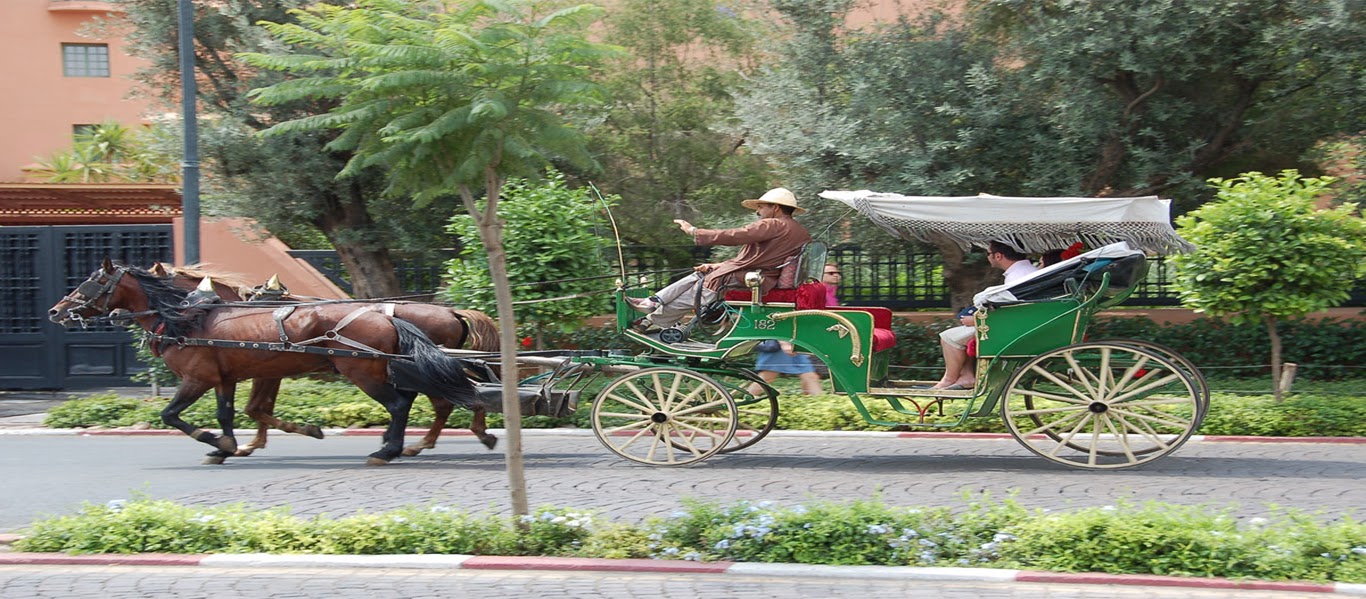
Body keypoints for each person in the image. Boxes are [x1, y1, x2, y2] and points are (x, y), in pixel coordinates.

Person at [628, 187, 812, 331]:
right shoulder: (801, 232)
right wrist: (716, 265)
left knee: (703, 288)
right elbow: (765, 258)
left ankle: (653, 319)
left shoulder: (774, 224)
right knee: (703, 274)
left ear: (776, 208)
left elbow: (735, 235)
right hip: (760, 277)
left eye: (762, 207)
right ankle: (653, 302)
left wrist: (695, 231)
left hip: (753, 278)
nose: (759, 212)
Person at [931, 241, 1038, 390]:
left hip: (1015, 329)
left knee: (948, 337)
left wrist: (976, 320)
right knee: (960, 334)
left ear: (998, 256)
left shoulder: (1017, 277)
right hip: (1027, 325)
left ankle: (949, 379)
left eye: (988, 254)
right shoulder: (1028, 271)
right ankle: (967, 376)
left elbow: (1014, 312)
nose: (988, 258)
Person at [747, 263, 842, 396]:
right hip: (783, 339)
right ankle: (734, 403)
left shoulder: (826, 293)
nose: (836, 275)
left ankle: (816, 409)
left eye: (837, 273)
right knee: (767, 377)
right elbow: (783, 311)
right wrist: (784, 342)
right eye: (830, 273)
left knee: (809, 377)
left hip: (795, 340)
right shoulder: (806, 291)